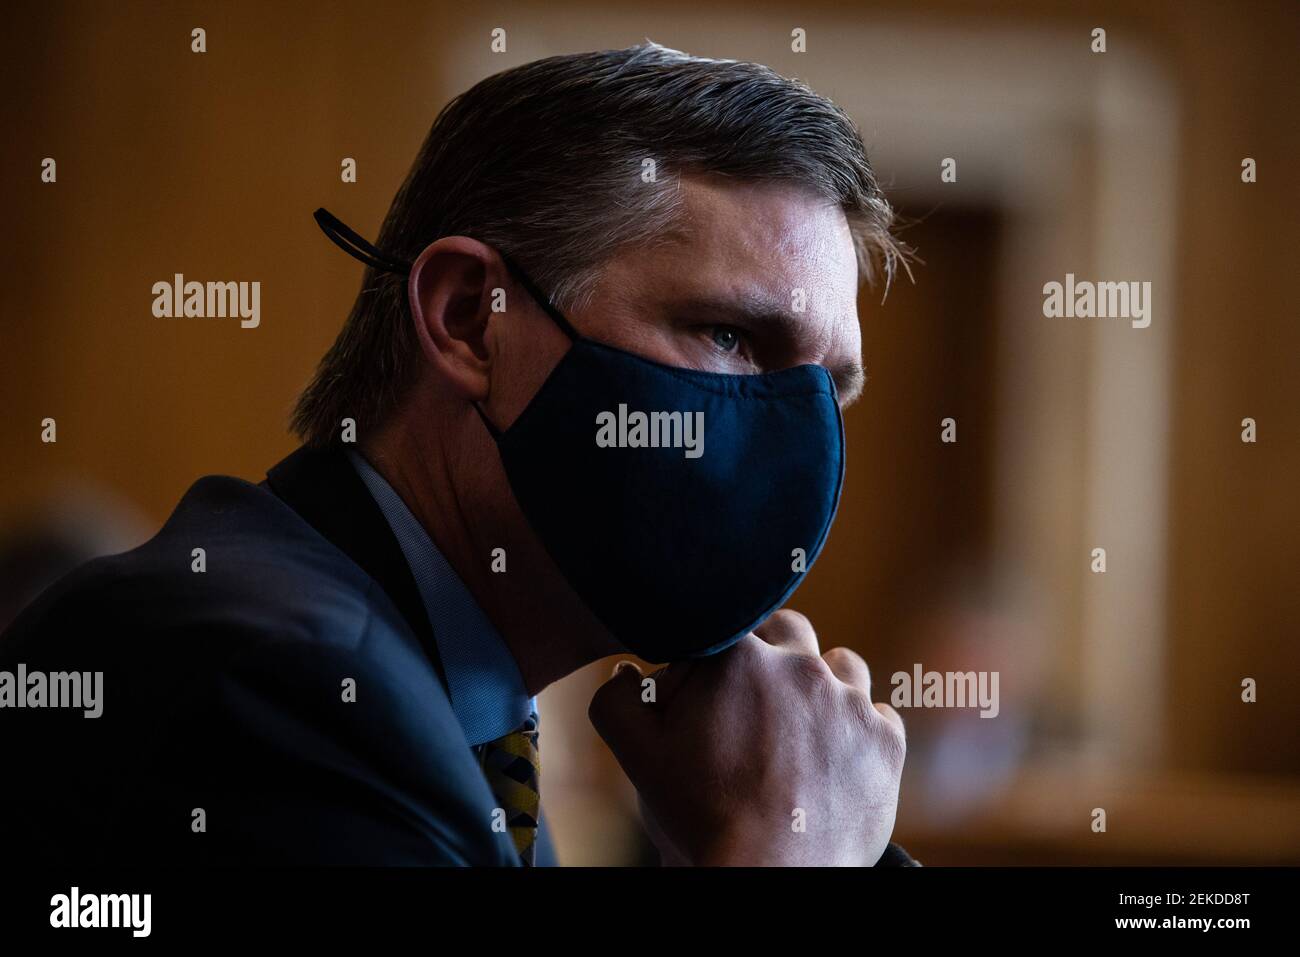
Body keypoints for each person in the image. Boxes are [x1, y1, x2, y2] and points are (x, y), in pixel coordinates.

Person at [0, 43, 916, 867]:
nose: (792, 431)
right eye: (728, 334)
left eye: (828, 387)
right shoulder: (282, 687)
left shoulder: (469, 719)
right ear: (472, 319)